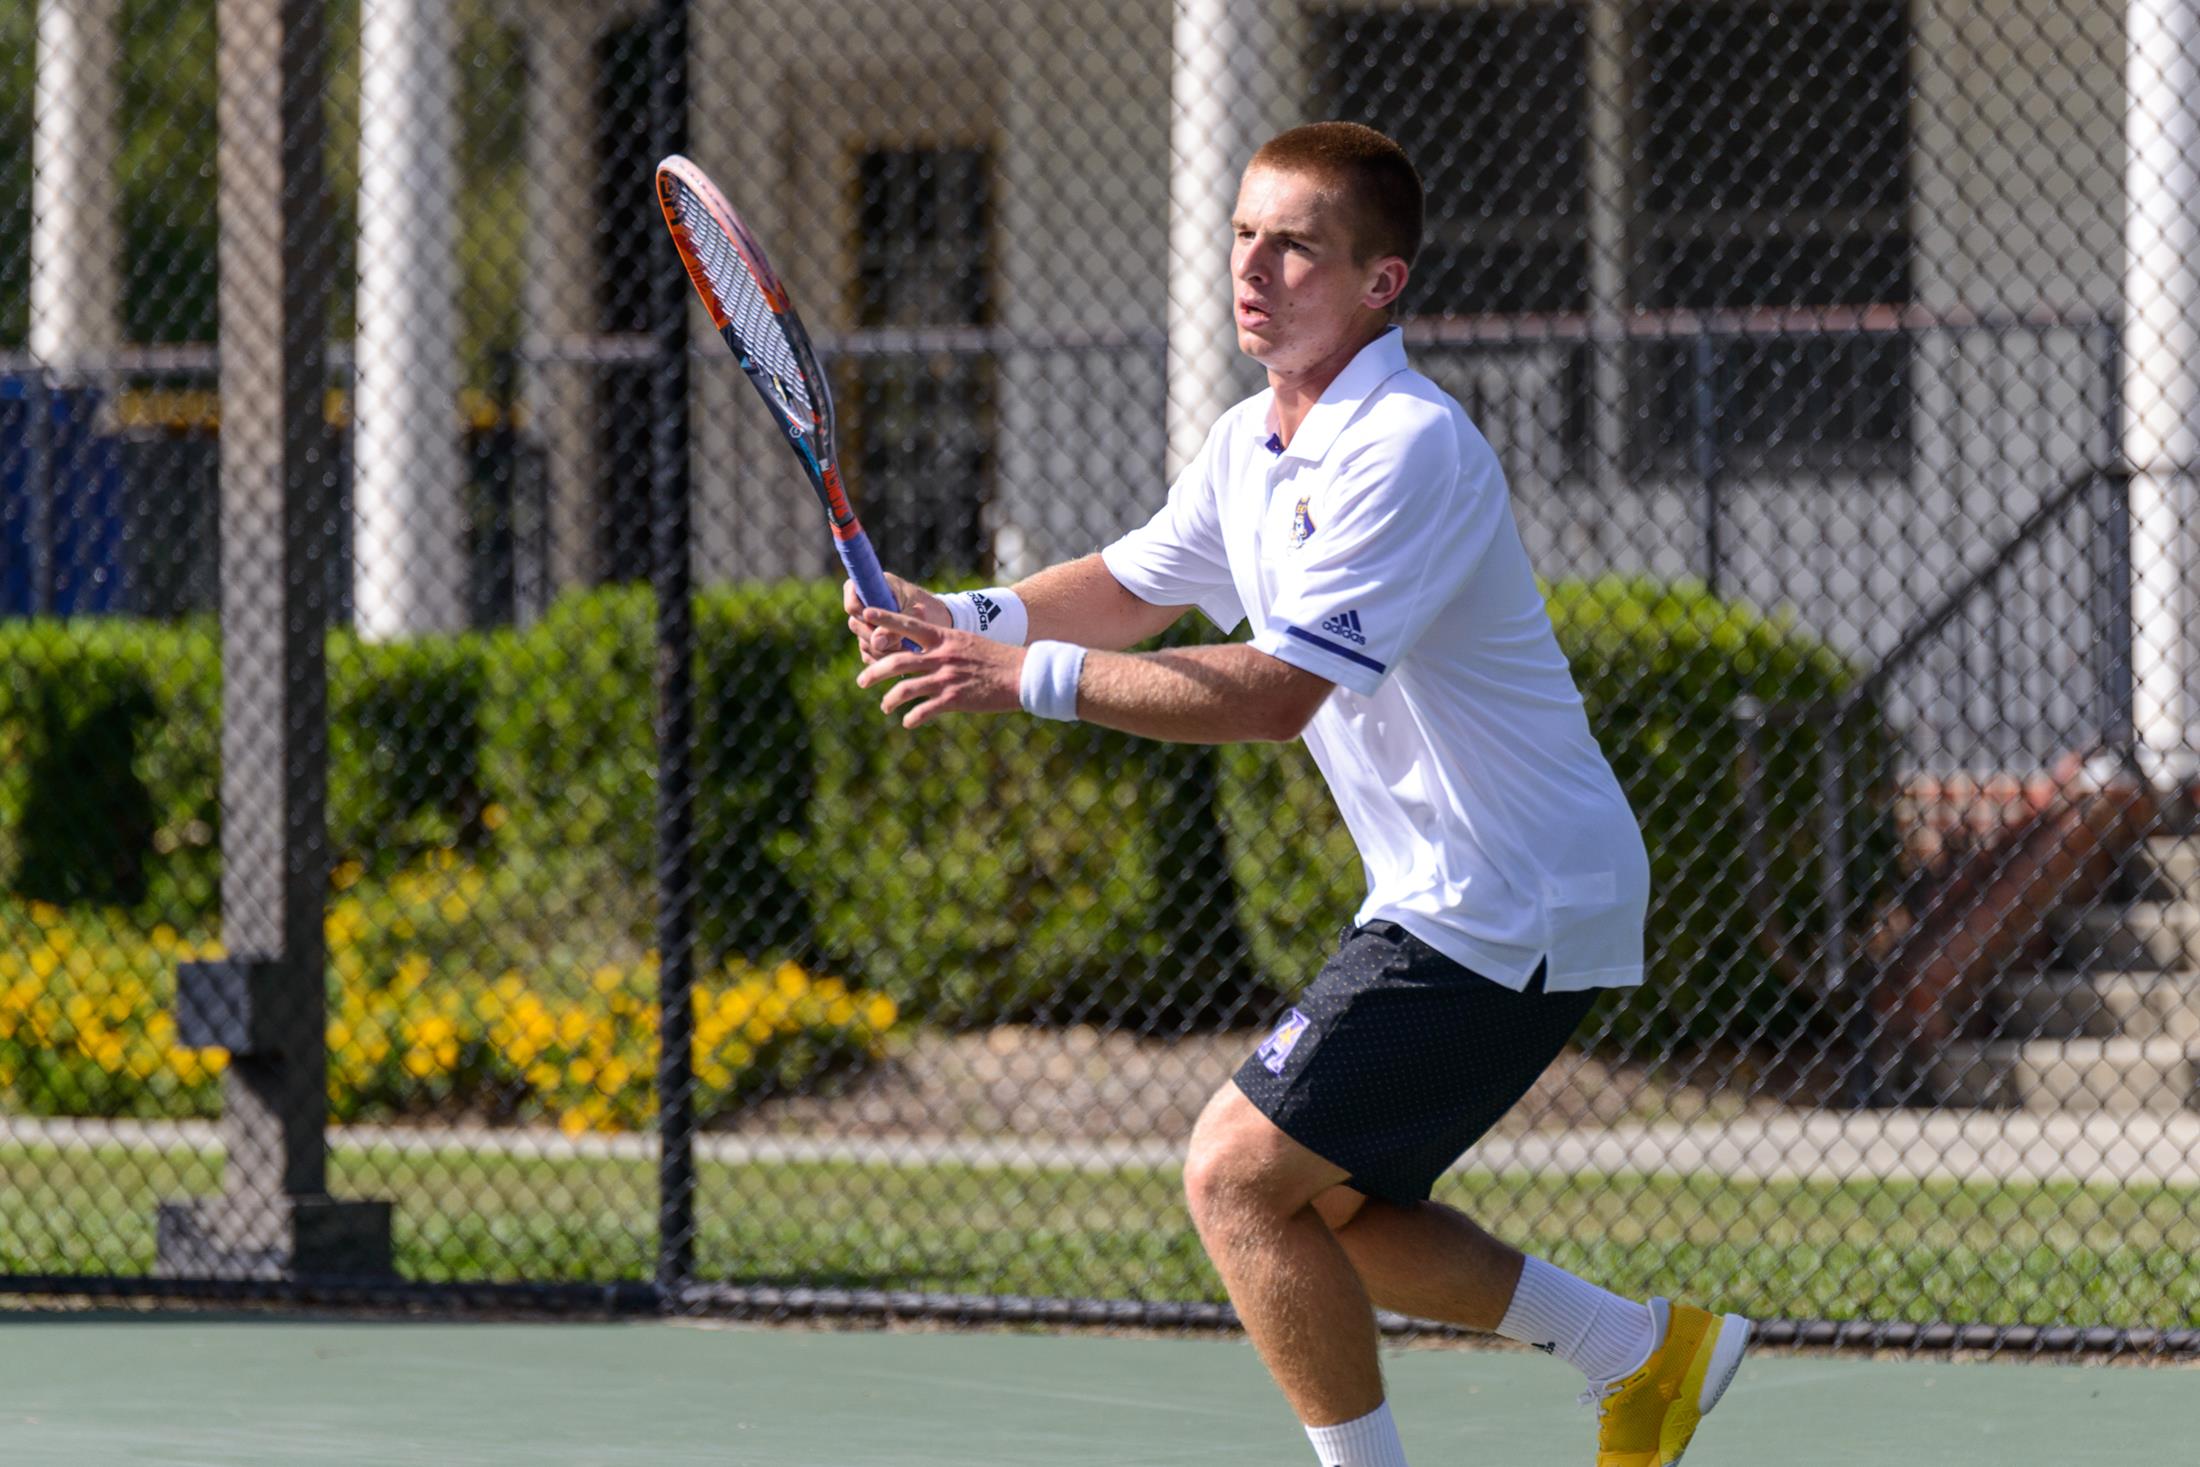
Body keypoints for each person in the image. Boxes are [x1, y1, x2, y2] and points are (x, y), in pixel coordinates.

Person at [842, 121, 1748, 1467]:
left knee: (1233, 1176)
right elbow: (1134, 586)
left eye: (1298, 247)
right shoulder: (1250, 442)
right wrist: (958, 614)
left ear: (1382, 283)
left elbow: (1275, 694)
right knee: (1329, 1209)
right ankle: (1644, 1351)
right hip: (1458, 889)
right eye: (1244, 235)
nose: (1255, 269)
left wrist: (1024, 676)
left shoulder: (1408, 446)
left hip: (1511, 893)